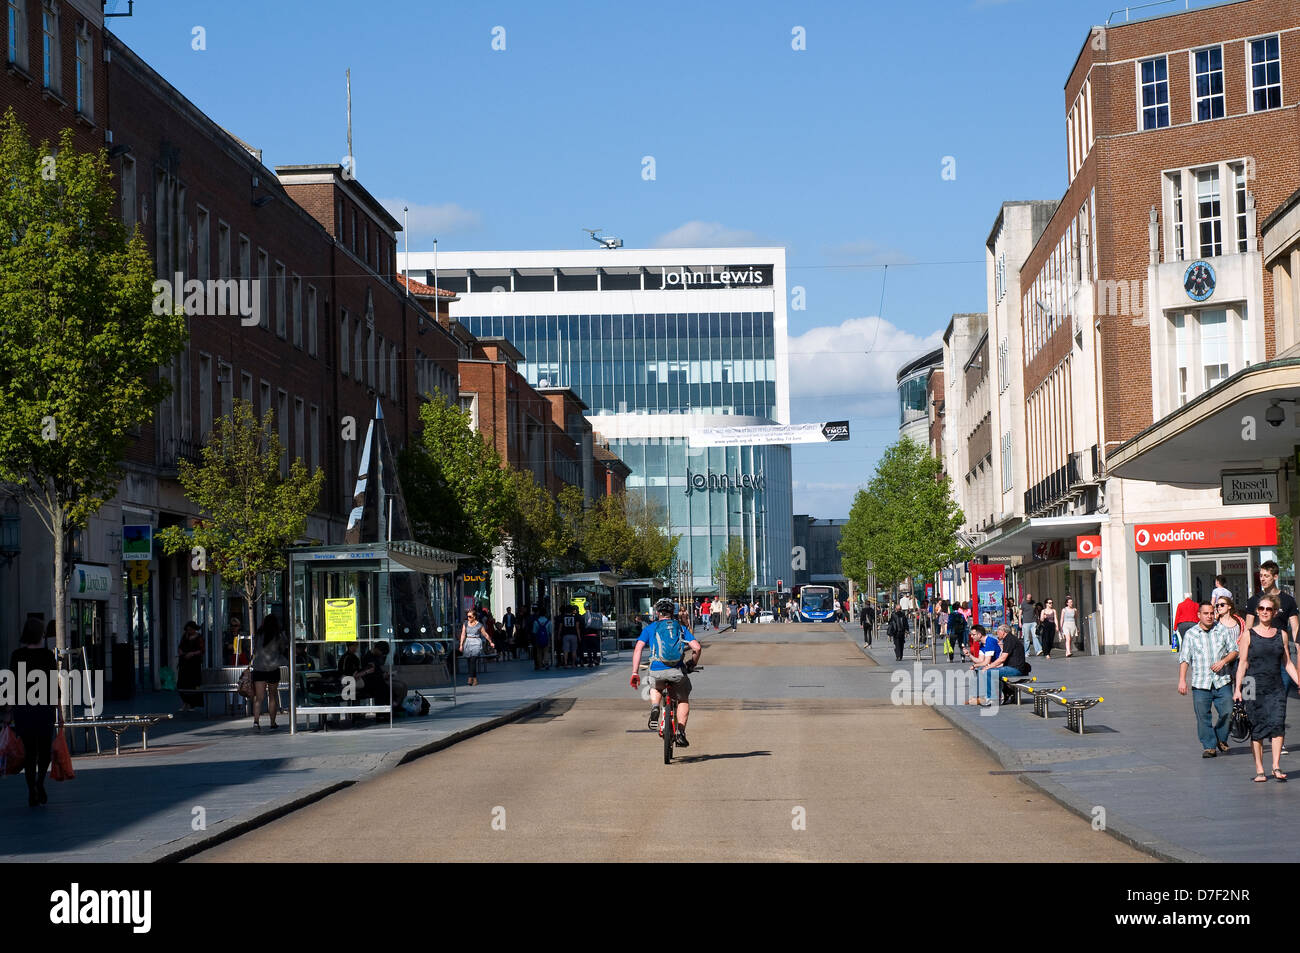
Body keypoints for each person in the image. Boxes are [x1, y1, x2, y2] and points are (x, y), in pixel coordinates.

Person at [1235, 594, 1300, 782]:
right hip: (1252, 685)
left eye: (1268, 609)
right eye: (1261, 608)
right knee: (1257, 727)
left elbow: (1287, 663)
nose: (1264, 612)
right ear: (1256, 611)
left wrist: (1298, 681)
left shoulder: (1282, 634)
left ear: (1274, 612)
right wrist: (1238, 689)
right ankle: (1260, 769)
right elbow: (1242, 663)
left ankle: (1276, 766)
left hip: (1276, 685)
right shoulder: (1248, 635)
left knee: (1278, 724)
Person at [630, 598, 703, 747]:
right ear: (672, 613)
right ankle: (681, 733)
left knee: (655, 687)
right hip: (676, 671)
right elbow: (697, 648)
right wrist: (692, 663)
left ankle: (655, 706)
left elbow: (638, 649)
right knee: (683, 699)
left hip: (657, 670)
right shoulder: (680, 628)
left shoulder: (650, 628)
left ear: (657, 613)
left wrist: (635, 672)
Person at [1178, 601, 1239, 758]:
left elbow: (1234, 651)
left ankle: (1220, 738)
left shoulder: (1222, 630)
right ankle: (1209, 746)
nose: (1210, 616)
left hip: (1222, 680)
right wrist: (1182, 680)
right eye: (1206, 613)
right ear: (1199, 615)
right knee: (1203, 716)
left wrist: (1223, 661)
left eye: (1212, 613)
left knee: (1227, 710)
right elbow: (1184, 658)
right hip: (1200, 683)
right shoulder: (1191, 634)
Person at [9, 618, 56, 807]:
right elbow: (53, 686)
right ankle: (40, 783)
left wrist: (9, 712)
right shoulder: (47, 655)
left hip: (24, 710)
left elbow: (11, 684)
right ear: (41, 634)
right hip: (44, 709)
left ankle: (31, 790)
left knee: (29, 753)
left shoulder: (17, 655)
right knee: (44, 752)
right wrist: (59, 710)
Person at [974, 623, 1028, 705]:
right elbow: (1004, 660)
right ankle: (1006, 693)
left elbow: (1002, 658)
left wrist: (989, 667)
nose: (997, 634)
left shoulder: (1010, 640)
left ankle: (991, 698)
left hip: (1015, 669)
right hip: (1012, 667)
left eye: (998, 631)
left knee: (989, 672)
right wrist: (989, 666)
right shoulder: (1008, 639)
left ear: (1003, 632)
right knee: (987, 670)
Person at [250, 616, 286, 731]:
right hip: (273, 668)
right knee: (272, 696)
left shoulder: (259, 634)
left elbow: (255, 650)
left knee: (259, 698)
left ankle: (256, 722)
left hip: (259, 668)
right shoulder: (279, 635)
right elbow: (284, 647)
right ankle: (272, 722)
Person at [459, 609, 495, 686]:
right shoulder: (465, 623)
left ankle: (470, 678)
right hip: (468, 642)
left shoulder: (479, 625)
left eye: (470, 616)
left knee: (473, 660)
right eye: (467, 616)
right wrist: (461, 645)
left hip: (476, 642)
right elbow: (463, 634)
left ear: (474, 617)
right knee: (469, 661)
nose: (468, 618)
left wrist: (490, 642)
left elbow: (485, 634)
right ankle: (475, 679)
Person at [965, 624, 999, 705]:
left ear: (979, 634)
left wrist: (974, 666)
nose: (972, 637)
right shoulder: (982, 644)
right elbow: (980, 660)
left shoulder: (989, 641)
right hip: (992, 665)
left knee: (981, 670)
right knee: (977, 671)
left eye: (973, 635)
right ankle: (976, 697)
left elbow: (986, 662)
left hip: (999, 665)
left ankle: (988, 697)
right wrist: (969, 655)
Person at [176, 620, 205, 711]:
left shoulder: (199, 638)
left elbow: (201, 650)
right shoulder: (185, 636)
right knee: (181, 684)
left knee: (193, 684)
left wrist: (192, 654)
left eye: (191, 630)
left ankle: (192, 704)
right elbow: (180, 647)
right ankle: (185, 702)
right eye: (187, 630)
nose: (189, 631)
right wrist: (182, 653)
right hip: (184, 663)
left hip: (194, 664)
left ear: (194, 629)